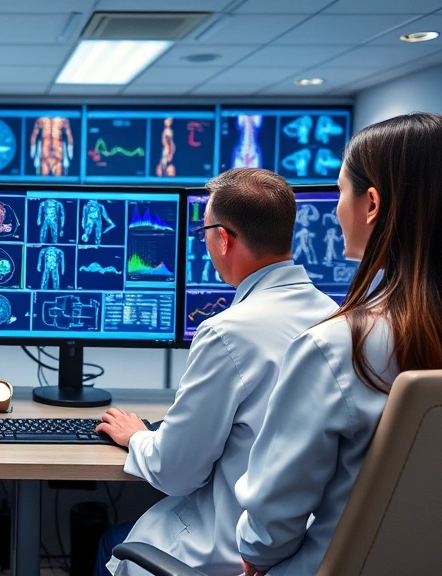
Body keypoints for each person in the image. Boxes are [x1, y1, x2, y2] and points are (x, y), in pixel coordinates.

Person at [234, 112, 442, 576]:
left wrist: (254, 551)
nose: (336, 210)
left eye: (340, 192)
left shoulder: (339, 347)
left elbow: (268, 535)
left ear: (371, 203)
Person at [94, 168, 339, 576]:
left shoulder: (227, 332)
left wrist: (137, 436)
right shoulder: (335, 317)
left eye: (205, 231)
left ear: (223, 239)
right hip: (302, 551)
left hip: (229, 551)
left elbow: (176, 472)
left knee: (112, 543)